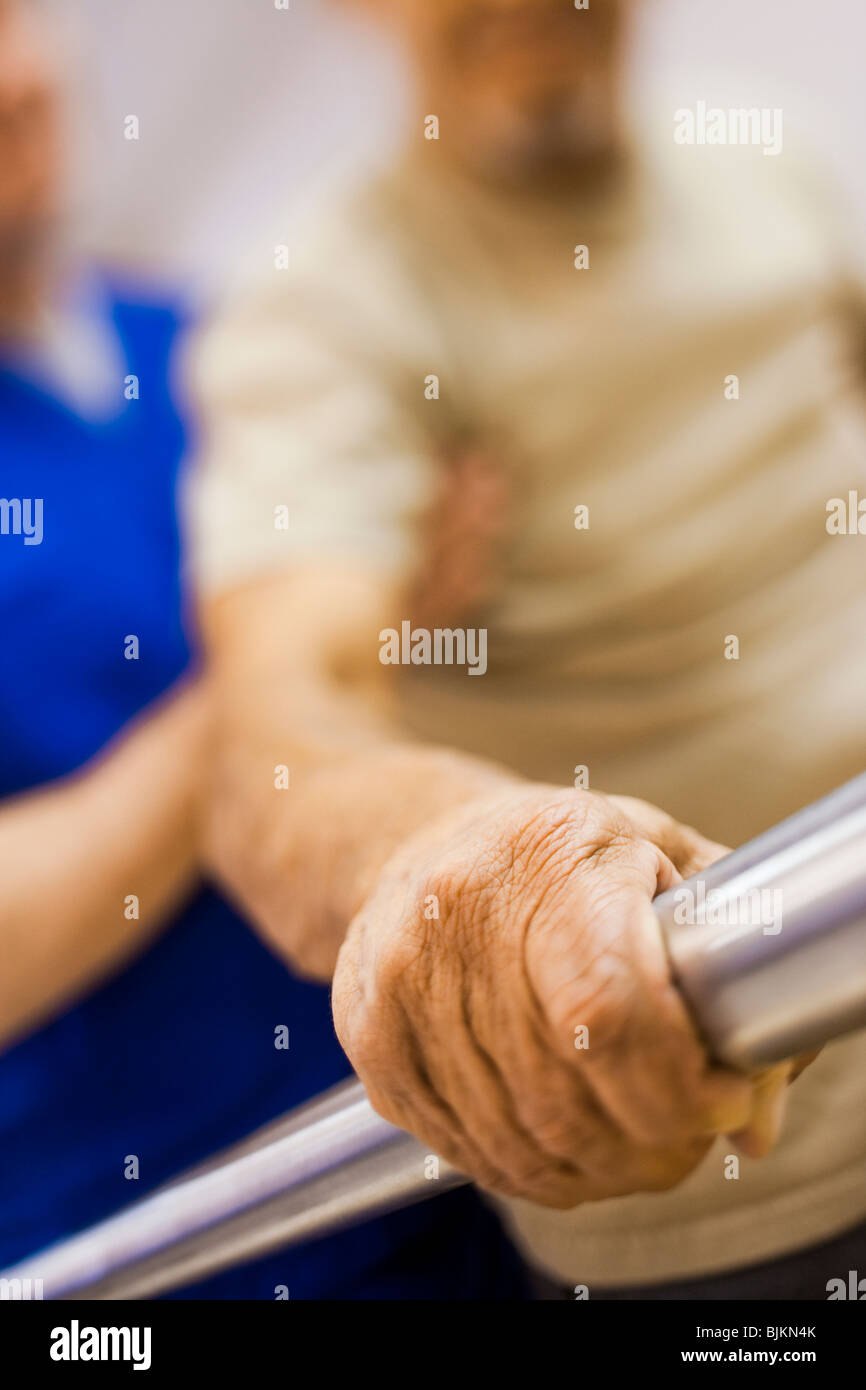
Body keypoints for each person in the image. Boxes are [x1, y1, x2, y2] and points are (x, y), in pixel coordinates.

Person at [190, 0, 866, 1296]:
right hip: (733, 1208)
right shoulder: (325, 310)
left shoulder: (769, 165)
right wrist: (450, 854)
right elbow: (282, 719)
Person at [0, 0, 532, 1299]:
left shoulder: (210, 346)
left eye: (14, 22)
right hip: (160, 1248)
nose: (12, 81)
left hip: (441, 1155)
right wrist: (278, 675)